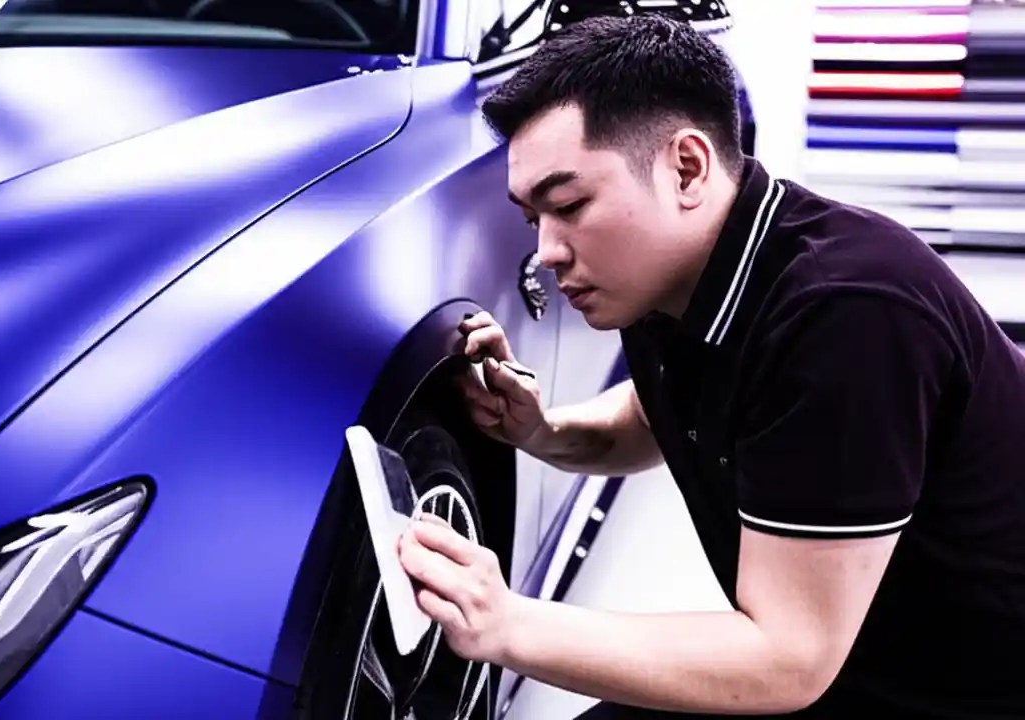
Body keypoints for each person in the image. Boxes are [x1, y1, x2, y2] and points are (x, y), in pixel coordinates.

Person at [395, 12, 1025, 719]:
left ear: (687, 168)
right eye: (532, 218)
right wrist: (544, 431)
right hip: (850, 660)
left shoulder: (845, 319)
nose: (546, 251)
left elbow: (786, 660)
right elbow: (657, 413)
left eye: (569, 205)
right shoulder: (676, 279)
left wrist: (508, 623)